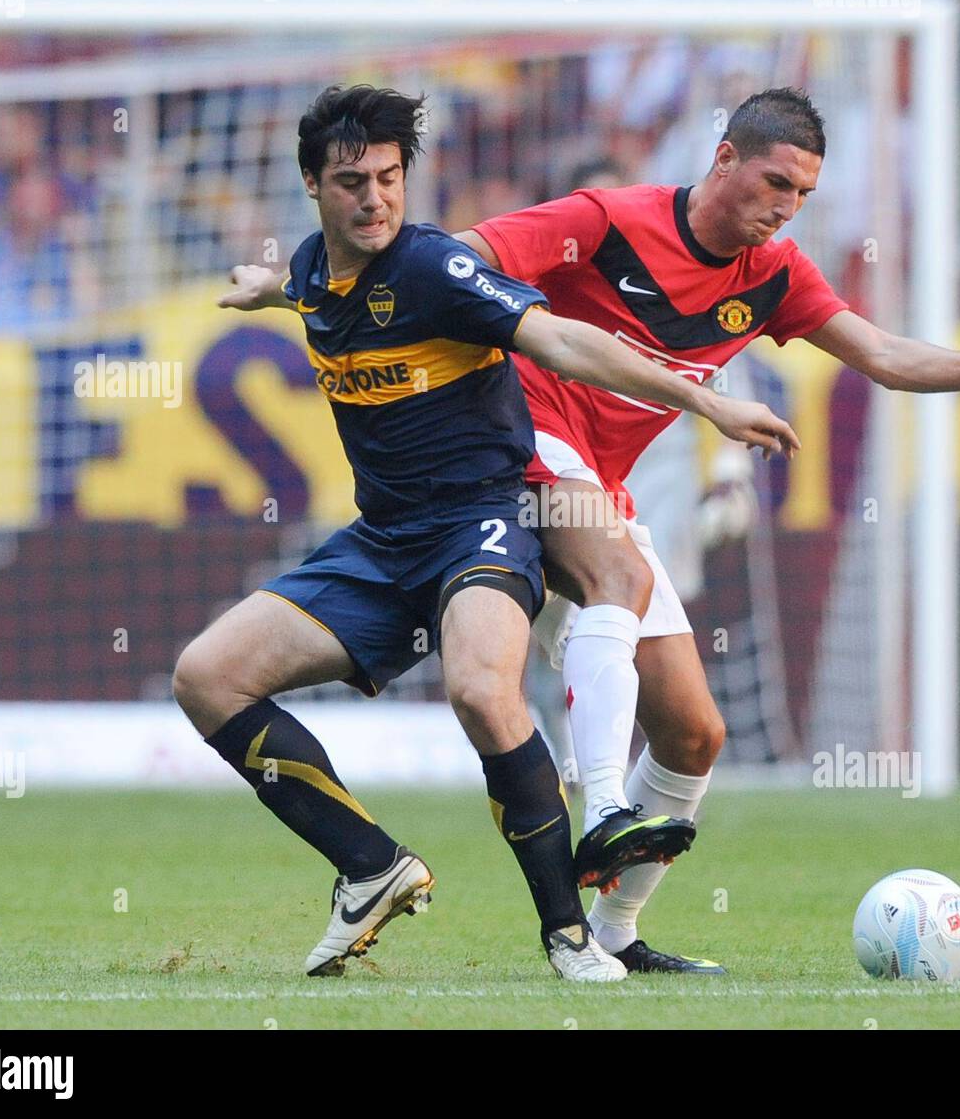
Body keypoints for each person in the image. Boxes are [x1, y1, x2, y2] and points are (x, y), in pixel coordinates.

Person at [171, 85, 798, 982]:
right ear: (313, 184)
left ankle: (569, 933)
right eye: (352, 182)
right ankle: (370, 866)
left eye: (390, 178)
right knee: (205, 677)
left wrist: (705, 401)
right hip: (385, 540)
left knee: (481, 689)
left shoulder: (436, 267)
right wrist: (266, 287)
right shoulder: (313, 270)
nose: (376, 199)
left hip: (485, 525)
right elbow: (312, 285)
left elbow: (566, 341)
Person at [456, 86, 960, 973]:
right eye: (776, 182)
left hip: (602, 486)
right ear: (724, 158)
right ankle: (606, 807)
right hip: (520, 443)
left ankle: (613, 934)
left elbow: (882, 355)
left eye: (804, 194)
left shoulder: (773, 274)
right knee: (620, 579)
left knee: (695, 733)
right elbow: (459, 260)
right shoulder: (605, 220)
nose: (786, 207)